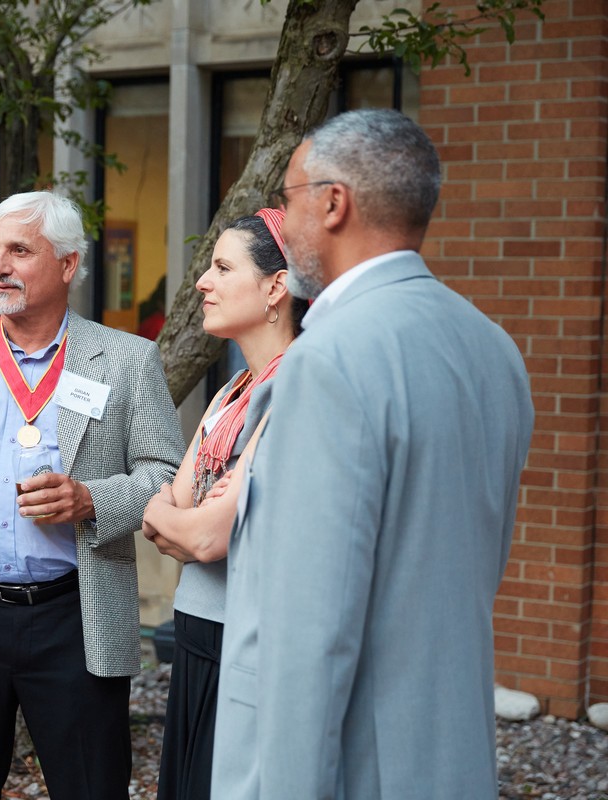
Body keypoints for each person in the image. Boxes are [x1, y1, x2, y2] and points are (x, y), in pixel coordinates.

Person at [212, 109, 534, 799]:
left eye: (290, 197)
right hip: (451, 756)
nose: (282, 220)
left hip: (352, 768)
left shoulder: (327, 361)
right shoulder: (494, 348)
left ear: (334, 203)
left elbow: (307, 634)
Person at [0, 190, 184, 800]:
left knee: (90, 786)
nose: (0, 265)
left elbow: (166, 474)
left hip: (73, 616)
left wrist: (92, 500)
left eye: (20, 250)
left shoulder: (126, 360)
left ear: (69, 265)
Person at [142, 208, 306, 800]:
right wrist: (186, 515)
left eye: (222, 266)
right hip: (196, 626)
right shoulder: (233, 390)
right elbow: (170, 513)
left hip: (245, 638)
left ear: (275, 287)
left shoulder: (293, 388)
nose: (202, 283)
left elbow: (203, 537)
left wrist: (184, 519)